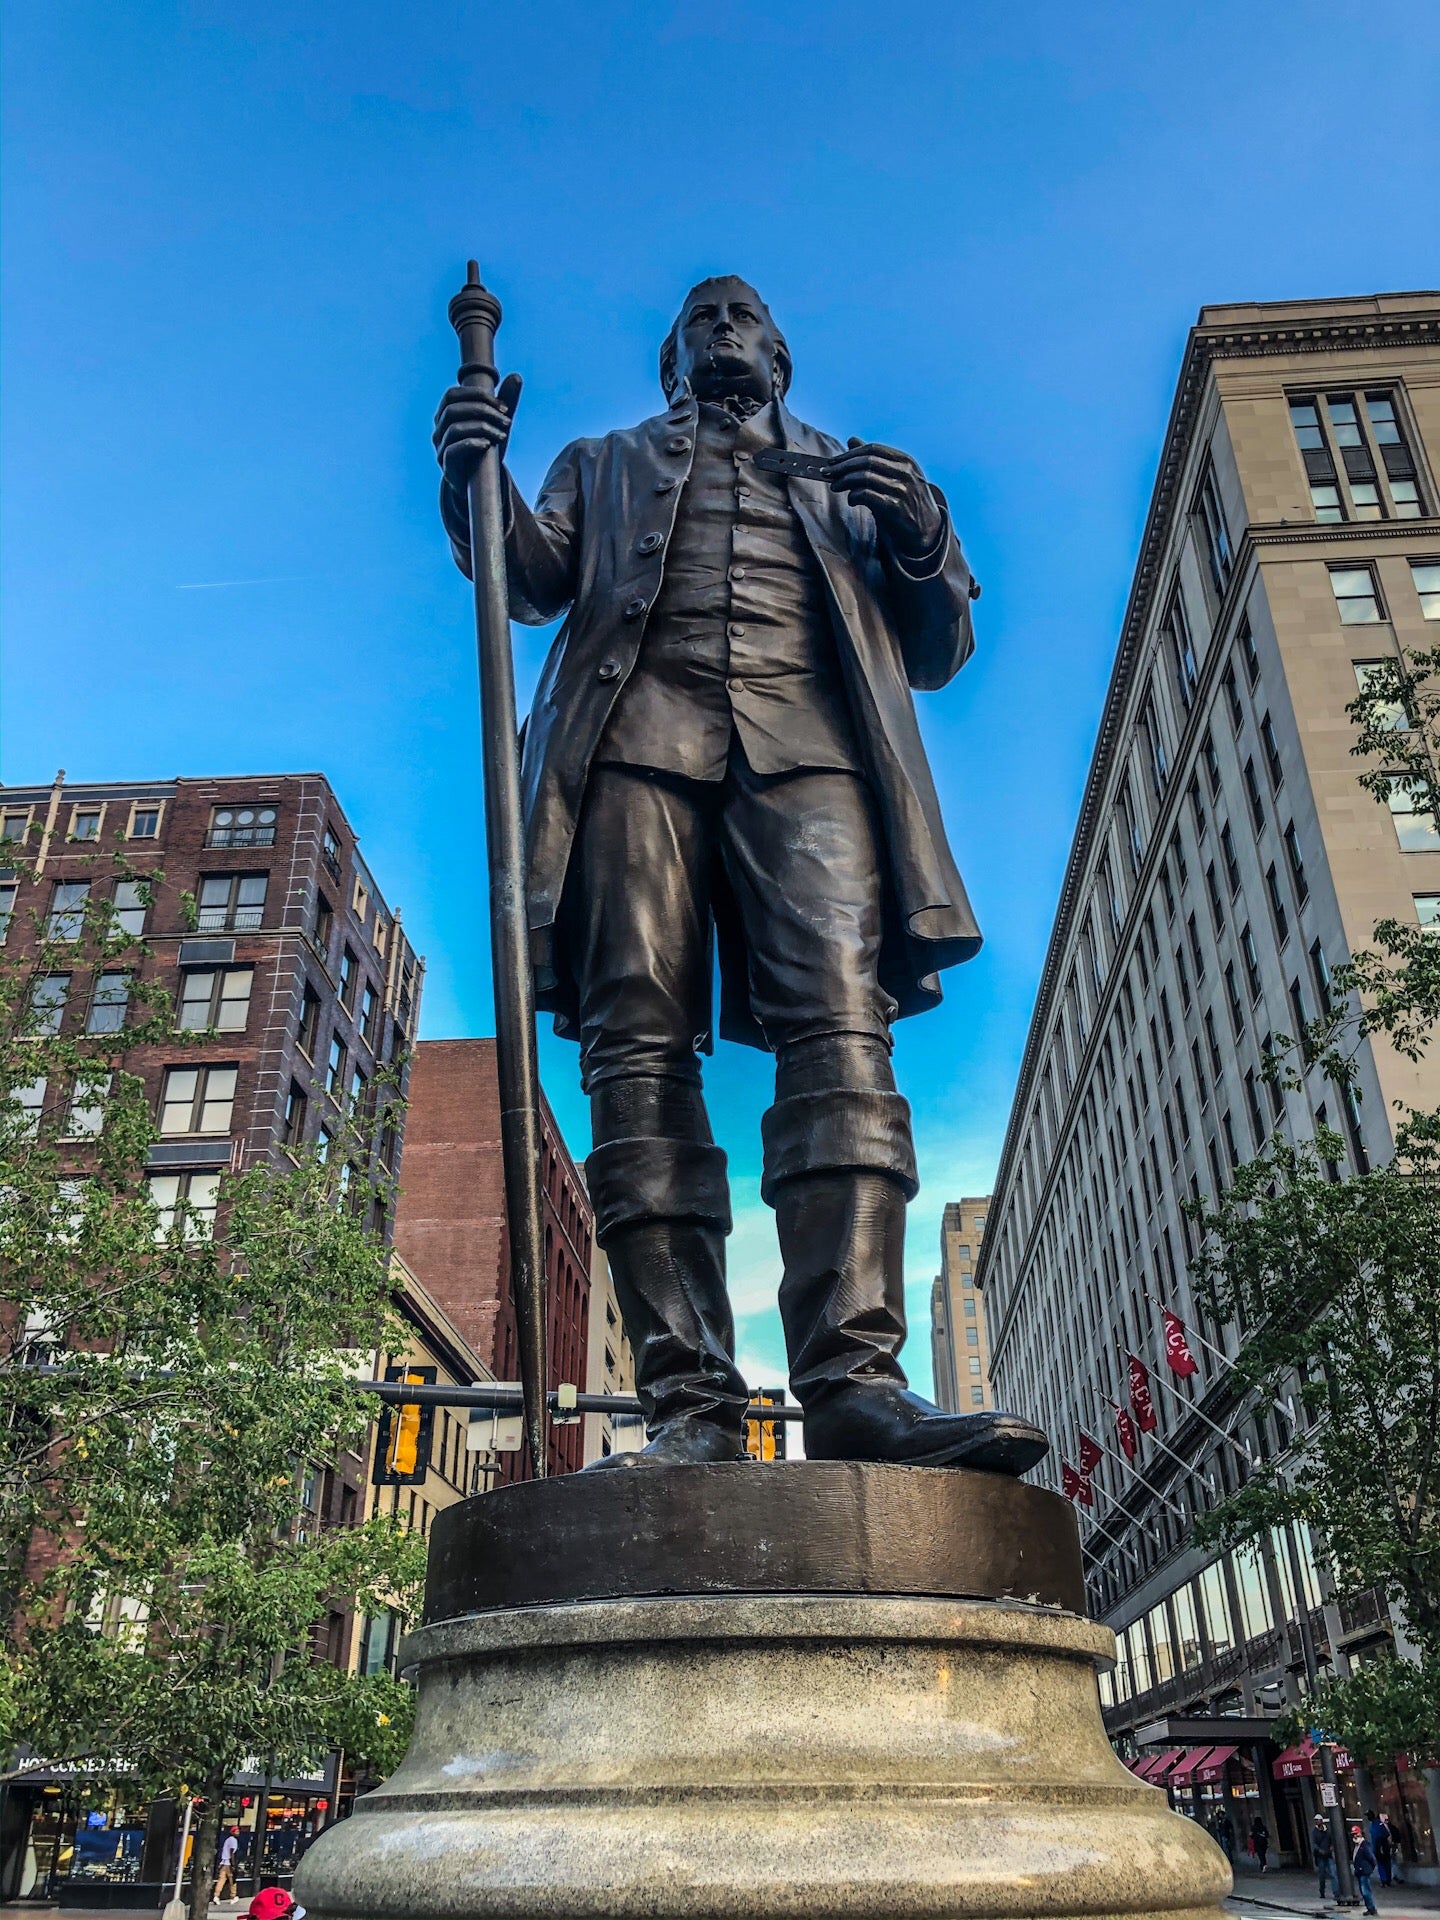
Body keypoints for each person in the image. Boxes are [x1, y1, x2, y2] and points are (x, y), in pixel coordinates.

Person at [433, 275, 1049, 1473]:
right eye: (700, 321)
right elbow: (530, 577)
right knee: (635, 1046)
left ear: (782, 356)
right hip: (631, 750)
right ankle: (691, 1403)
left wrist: (925, 537)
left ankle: (857, 1384)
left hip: (809, 754)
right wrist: (475, 475)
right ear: (670, 365)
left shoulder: (859, 476)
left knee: (843, 1031)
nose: (724, 330)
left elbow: (937, 650)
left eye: (746, 318)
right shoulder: (602, 461)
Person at [1352, 1826, 1378, 1914]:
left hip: (1364, 1871)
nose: (1355, 1836)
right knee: (1363, 1891)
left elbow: (1371, 1857)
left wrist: (1371, 1867)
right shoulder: (1357, 1845)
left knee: (1365, 1890)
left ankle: (1372, 1908)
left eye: (1356, 1834)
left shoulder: (1364, 1844)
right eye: (1354, 1834)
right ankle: (1369, 1908)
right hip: (1360, 1871)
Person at [212, 1827, 241, 1903]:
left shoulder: (227, 1840)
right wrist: (233, 1865)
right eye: (236, 1831)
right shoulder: (233, 1840)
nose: (238, 1833)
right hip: (229, 1864)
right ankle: (233, 1897)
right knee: (233, 1881)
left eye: (238, 1831)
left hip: (224, 1863)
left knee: (221, 1880)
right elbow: (232, 1853)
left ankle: (216, 1896)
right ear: (232, 1832)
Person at [1312, 1812, 1336, 1898]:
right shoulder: (1315, 1832)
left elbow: (1332, 1840)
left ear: (1321, 1821)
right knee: (1322, 1875)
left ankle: (1336, 1892)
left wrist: (1332, 1846)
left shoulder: (1327, 1831)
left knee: (1333, 1873)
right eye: (1315, 1821)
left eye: (1317, 1820)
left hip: (1328, 1855)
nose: (1316, 1822)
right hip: (1320, 1856)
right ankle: (1322, 1891)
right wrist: (1319, 1850)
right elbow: (1314, 1844)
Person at [1369, 1811, 1392, 1887]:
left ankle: (1386, 1880)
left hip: (1381, 1845)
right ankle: (1385, 1880)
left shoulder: (1378, 1824)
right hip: (1378, 1846)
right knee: (1382, 1863)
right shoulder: (1373, 1824)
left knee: (1384, 1863)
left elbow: (1385, 1834)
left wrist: (1381, 1843)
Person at [1385, 1813, 1405, 1883]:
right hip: (1393, 1846)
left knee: (1391, 1861)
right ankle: (1395, 1875)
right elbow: (1398, 1837)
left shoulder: (1384, 1829)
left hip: (1388, 1847)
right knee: (1393, 1861)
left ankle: (1392, 1876)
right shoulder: (1392, 1828)